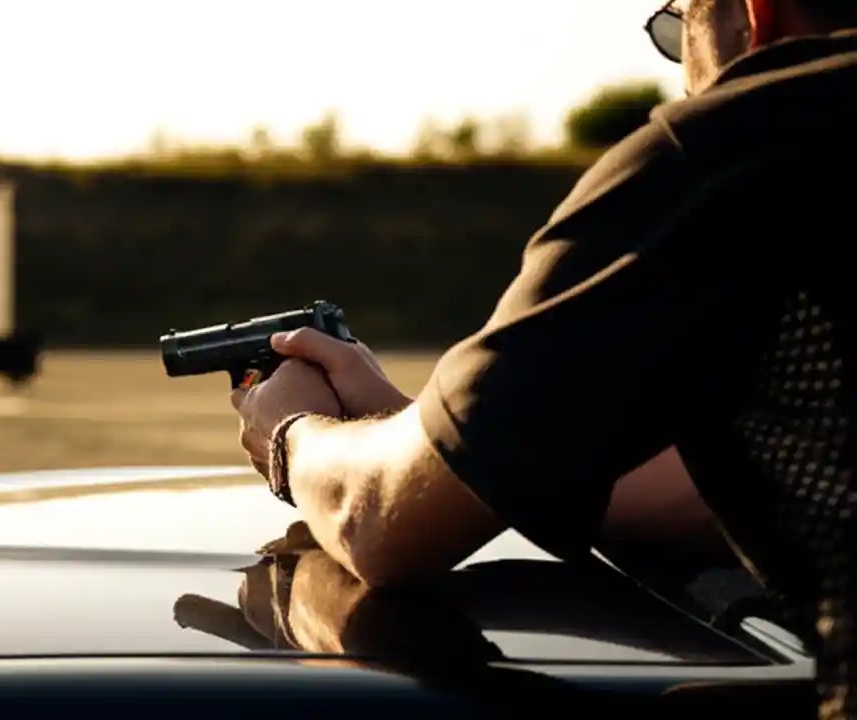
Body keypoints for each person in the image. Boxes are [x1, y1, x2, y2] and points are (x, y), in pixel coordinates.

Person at [229, 2, 857, 718]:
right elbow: (710, 493)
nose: (680, 73)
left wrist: (292, 435)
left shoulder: (734, 151)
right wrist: (426, 432)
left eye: (677, 26)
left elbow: (376, 526)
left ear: (752, 15)